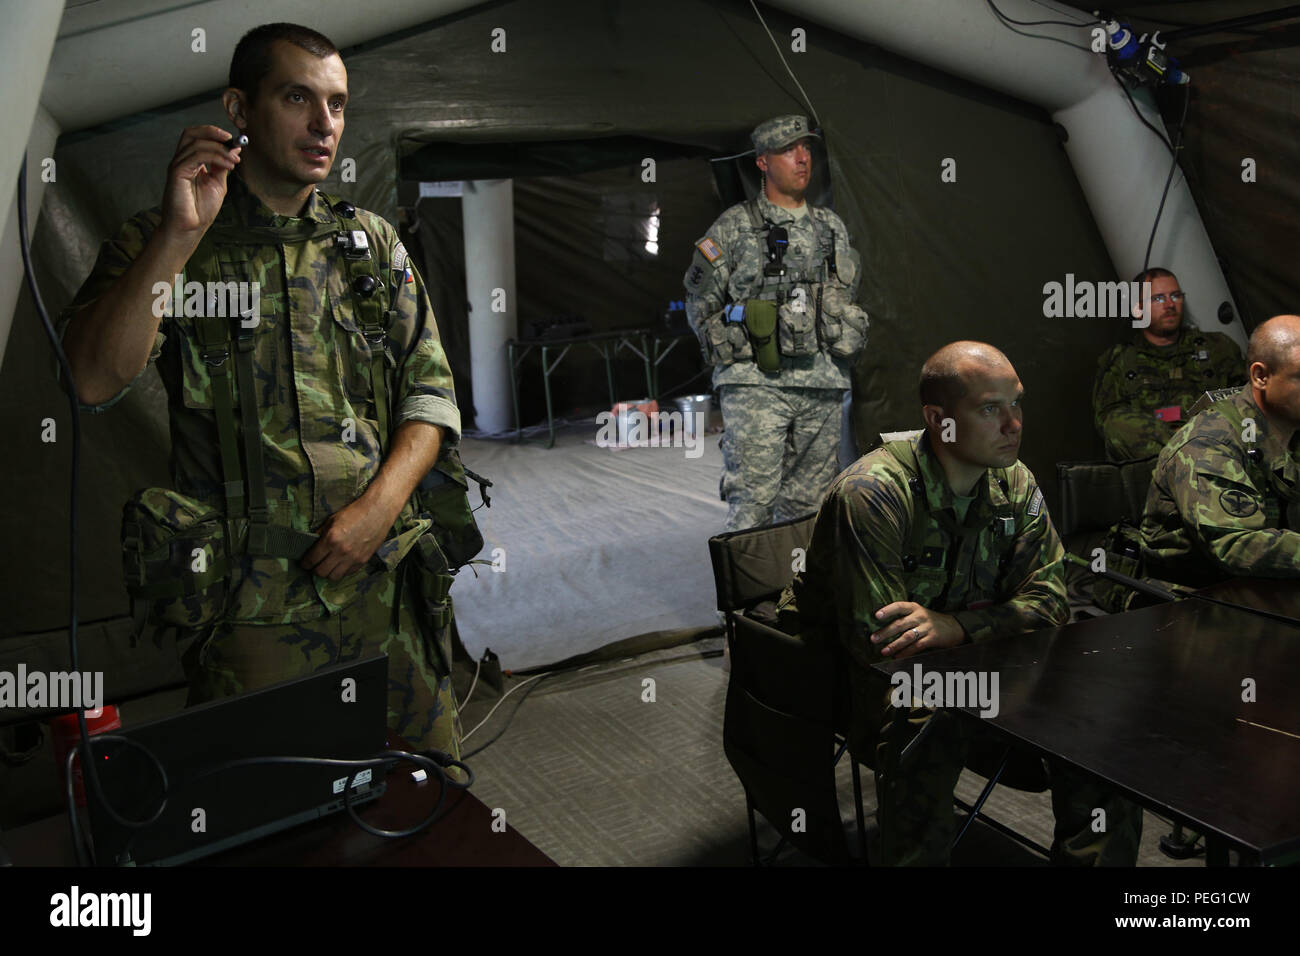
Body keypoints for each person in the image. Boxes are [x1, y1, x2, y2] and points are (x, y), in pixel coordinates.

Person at [59, 23, 463, 758]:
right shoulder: (160, 242)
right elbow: (89, 380)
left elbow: (430, 395)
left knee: (430, 794)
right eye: (298, 98)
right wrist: (180, 236)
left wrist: (379, 511)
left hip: (384, 589)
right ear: (239, 109)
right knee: (273, 817)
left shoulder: (369, 244)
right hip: (249, 612)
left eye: (338, 105)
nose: (324, 125)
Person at [793, 341, 1142, 865]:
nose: (1014, 424)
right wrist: (995, 623)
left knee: (1103, 714)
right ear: (939, 420)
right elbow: (886, 647)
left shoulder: (1014, 482)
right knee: (928, 716)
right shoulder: (874, 492)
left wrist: (956, 626)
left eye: (1016, 403)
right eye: (989, 409)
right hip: (856, 680)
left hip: (983, 663)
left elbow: (1050, 602)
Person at [683, 115, 869, 533]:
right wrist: (735, 338)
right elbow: (700, 302)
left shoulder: (830, 228)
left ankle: (796, 594)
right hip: (755, 385)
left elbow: (841, 299)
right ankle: (748, 600)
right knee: (753, 500)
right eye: (788, 150)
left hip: (820, 384)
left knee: (812, 504)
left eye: (806, 149)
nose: (802, 159)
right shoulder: (734, 226)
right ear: (763, 162)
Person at [1141, 314, 1300, 589]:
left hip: (1267, 584)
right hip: (1195, 596)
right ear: (1261, 376)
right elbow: (1236, 544)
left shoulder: (1289, 422)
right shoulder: (1209, 444)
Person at [1092, 267, 1243, 461]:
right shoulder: (1119, 361)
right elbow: (1108, 421)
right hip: (1160, 463)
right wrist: (1172, 438)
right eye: (1158, 298)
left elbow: (1247, 400)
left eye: (1176, 295)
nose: (1170, 304)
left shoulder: (1218, 347)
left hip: (1221, 449)